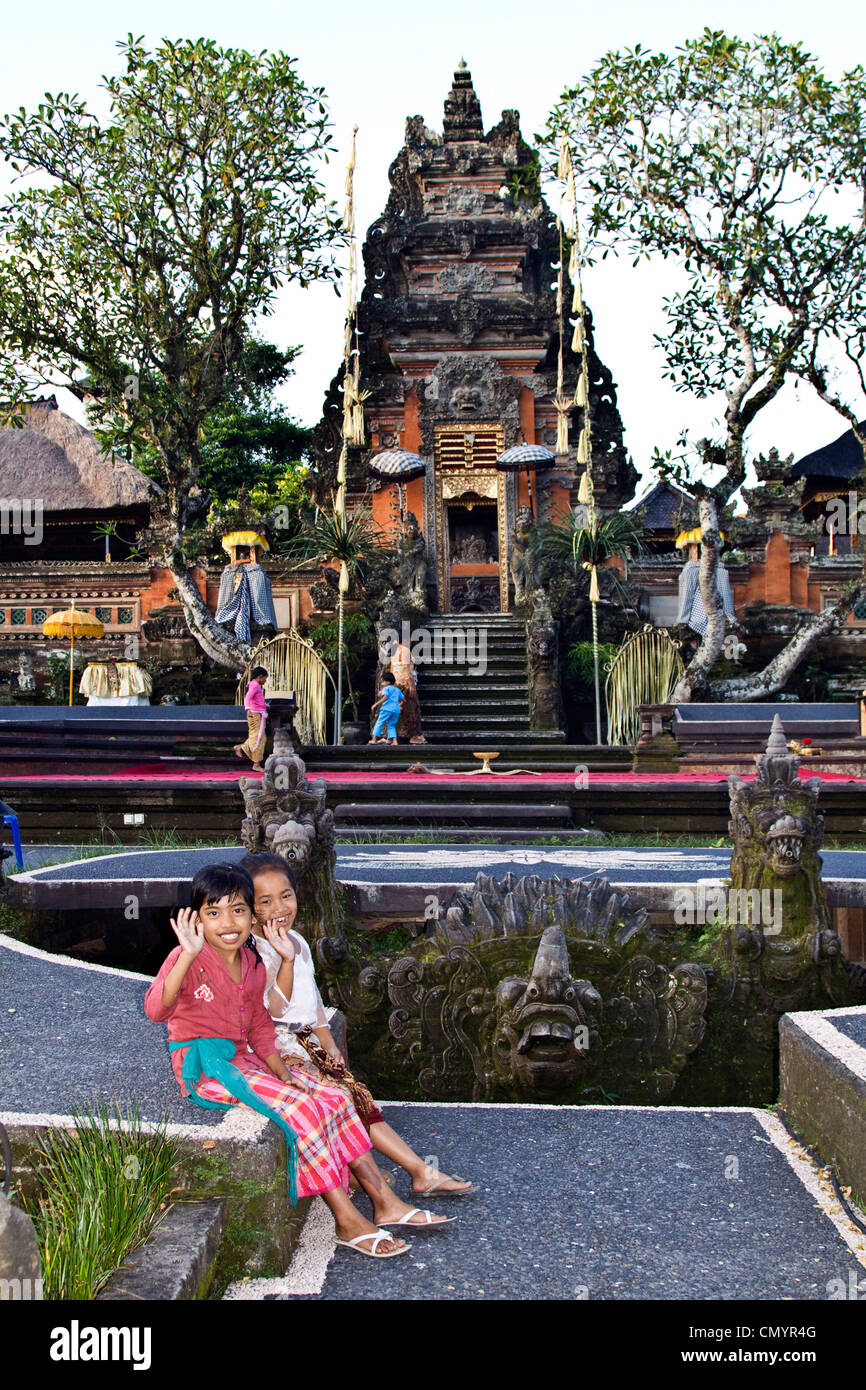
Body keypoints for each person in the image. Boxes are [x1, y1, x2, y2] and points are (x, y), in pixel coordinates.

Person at [144, 863, 428, 1258]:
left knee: (333, 1097)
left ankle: (384, 1200)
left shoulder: (251, 962)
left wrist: (281, 1071)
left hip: (247, 1059)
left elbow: (260, 1025)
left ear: (250, 915)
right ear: (197, 919)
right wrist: (187, 957)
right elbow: (157, 1009)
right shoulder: (187, 956)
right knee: (301, 1111)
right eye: (213, 913)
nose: (228, 922)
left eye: (238, 910)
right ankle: (346, 1219)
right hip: (206, 1066)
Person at [242, 851, 474, 1203]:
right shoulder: (255, 952)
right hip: (281, 1048)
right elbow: (274, 1007)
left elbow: (312, 999)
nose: (280, 908)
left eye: (286, 895)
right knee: (347, 1100)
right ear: (250, 907)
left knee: (360, 1099)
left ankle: (416, 1171)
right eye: (266, 901)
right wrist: (282, 959)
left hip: (308, 1042)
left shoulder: (300, 943)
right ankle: (405, 1174)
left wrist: (327, 1040)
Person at [234, 665, 268, 767]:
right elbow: (247, 697)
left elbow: (256, 700)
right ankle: (256, 764)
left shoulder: (255, 685)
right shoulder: (255, 685)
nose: (265, 681)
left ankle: (242, 749)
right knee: (259, 737)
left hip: (258, 713)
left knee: (260, 737)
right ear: (260, 676)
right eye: (265, 678)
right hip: (255, 714)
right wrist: (248, 708)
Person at [369, 671, 404, 745]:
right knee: (391, 725)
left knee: (379, 722)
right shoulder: (397, 690)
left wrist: (376, 704)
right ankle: (394, 741)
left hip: (387, 709)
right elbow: (404, 700)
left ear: (388, 682)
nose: (382, 683)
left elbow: (385, 697)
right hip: (396, 710)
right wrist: (399, 705)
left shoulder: (386, 688)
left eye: (383, 682)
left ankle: (374, 739)